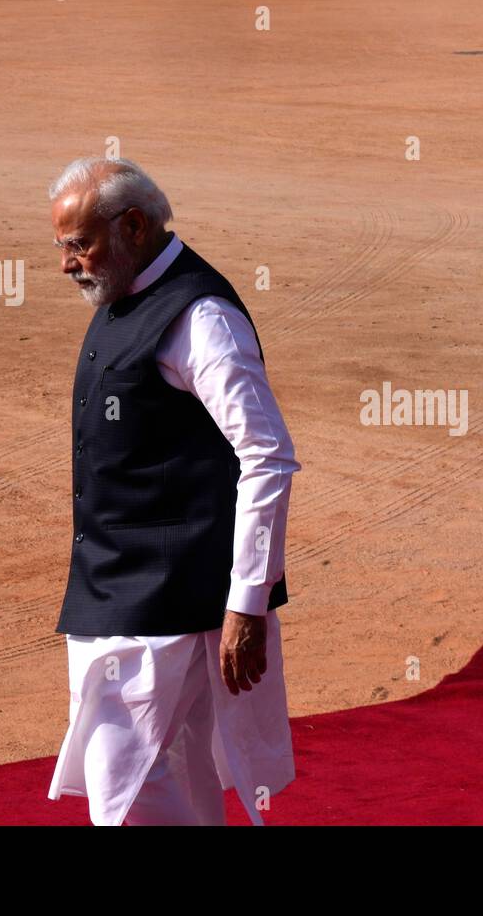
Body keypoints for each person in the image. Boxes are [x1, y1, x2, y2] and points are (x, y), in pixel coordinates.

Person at [44, 157, 300, 826]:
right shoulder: (126, 291)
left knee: (127, 791)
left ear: (133, 226)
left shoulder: (203, 318)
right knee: (173, 785)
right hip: (121, 598)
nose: (68, 264)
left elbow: (267, 455)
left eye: (79, 244)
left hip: (164, 610)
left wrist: (247, 602)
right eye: (62, 247)